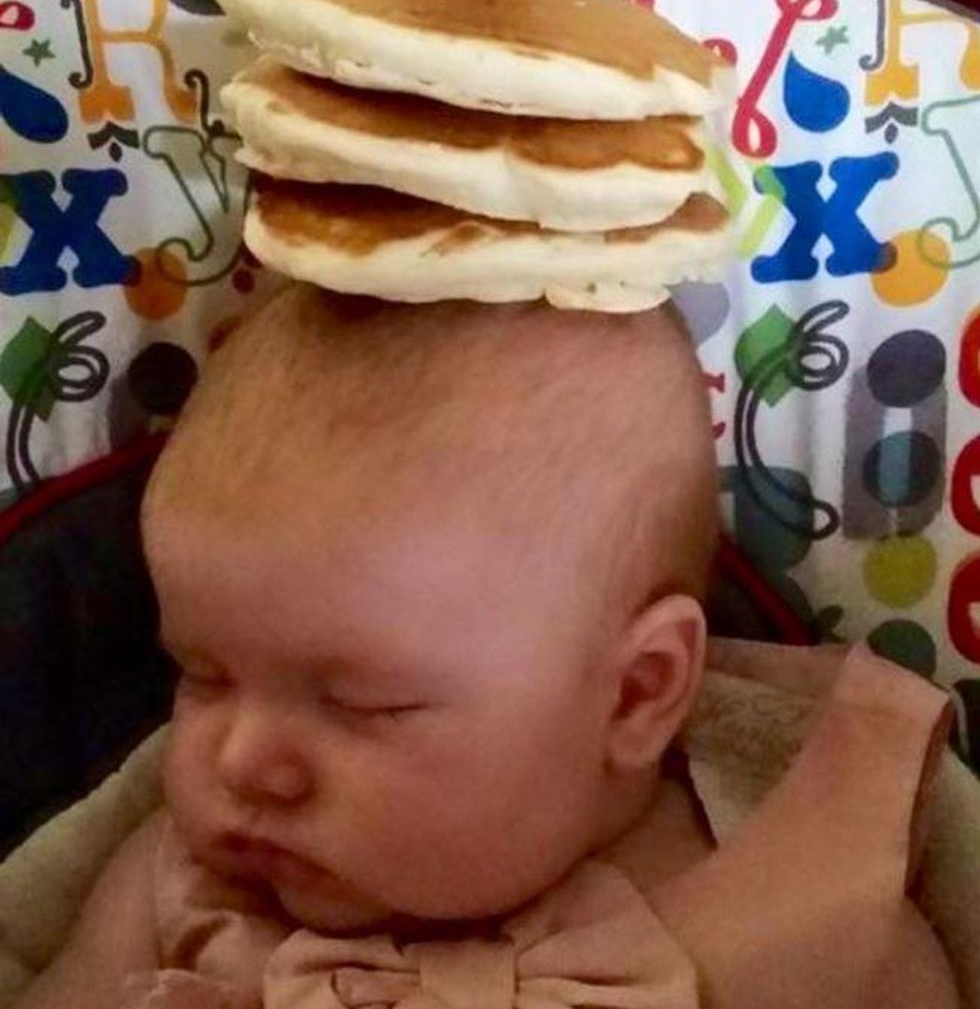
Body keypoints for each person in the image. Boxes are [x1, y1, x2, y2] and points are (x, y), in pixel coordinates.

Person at [10, 286, 961, 1009]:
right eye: (202, 674)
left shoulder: (810, 870)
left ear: (634, 694)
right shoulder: (177, 881)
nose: (244, 758)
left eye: (363, 704)